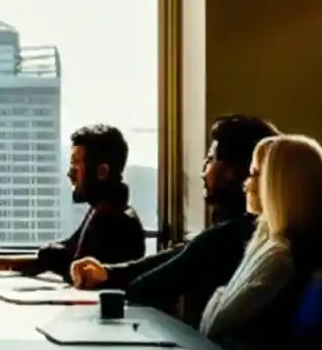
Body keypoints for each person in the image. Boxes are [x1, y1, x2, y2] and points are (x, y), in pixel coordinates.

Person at [70, 115, 279, 326]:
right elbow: (182, 254)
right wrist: (107, 273)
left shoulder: (229, 239)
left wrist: (108, 276)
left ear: (235, 171)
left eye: (210, 159)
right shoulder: (249, 235)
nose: (202, 170)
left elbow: (148, 286)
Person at [199, 134, 322, 350]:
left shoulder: (279, 257)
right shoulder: (284, 249)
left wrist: (222, 292)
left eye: (255, 174)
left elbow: (214, 326)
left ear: (279, 185)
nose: (246, 184)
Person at [0, 124, 145, 279]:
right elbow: (59, 255)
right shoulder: (103, 211)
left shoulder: (111, 220)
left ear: (102, 171)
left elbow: (61, 262)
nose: (70, 173)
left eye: (76, 164)